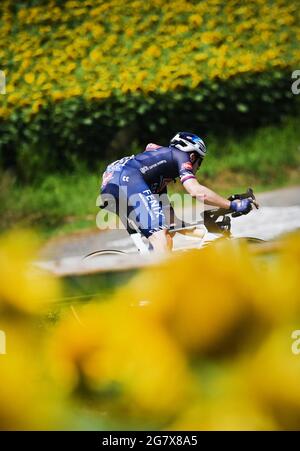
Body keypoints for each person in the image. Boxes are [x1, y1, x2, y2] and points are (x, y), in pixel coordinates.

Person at [100, 132, 254, 252]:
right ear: (193, 156)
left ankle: (150, 273)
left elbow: (172, 222)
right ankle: (158, 290)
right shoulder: (181, 155)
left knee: (167, 233)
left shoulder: (158, 176)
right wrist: (232, 205)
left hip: (118, 180)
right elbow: (196, 191)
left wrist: (209, 228)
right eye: (200, 162)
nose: (198, 167)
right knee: (160, 237)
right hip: (126, 179)